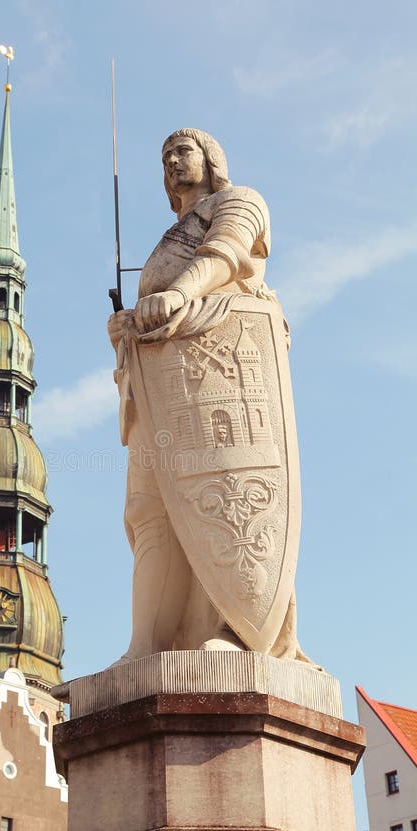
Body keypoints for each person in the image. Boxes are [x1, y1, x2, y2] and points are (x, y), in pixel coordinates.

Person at [108, 128, 305, 662]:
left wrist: (177, 294)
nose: (173, 159)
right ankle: (146, 645)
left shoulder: (242, 202)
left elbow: (225, 256)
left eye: (183, 150)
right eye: (165, 155)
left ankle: (239, 629)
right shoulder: (165, 241)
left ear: (211, 158)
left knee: (229, 491)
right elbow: (156, 303)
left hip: (221, 371)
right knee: (147, 508)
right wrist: (129, 324)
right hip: (160, 383)